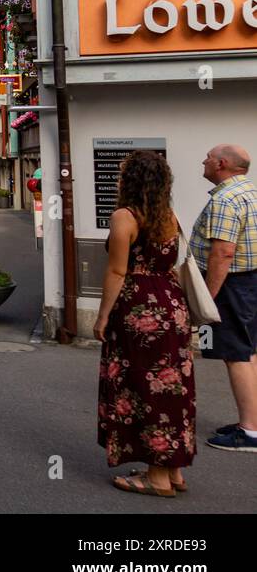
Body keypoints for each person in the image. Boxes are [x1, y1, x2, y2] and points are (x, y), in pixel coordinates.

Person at [95, 150, 195, 497]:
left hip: (140, 309)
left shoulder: (125, 216)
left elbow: (118, 270)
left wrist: (103, 315)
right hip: (172, 305)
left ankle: (156, 479)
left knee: (145, 388)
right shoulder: (168, 215)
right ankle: (173, 471)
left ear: (130, 180)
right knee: (172, 388)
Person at [190, 144, 257, 453]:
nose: (203, 161)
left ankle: (249, 432)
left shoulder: (226, 199)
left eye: (207, 157)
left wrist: (208, 297)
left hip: (232, 285)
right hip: (250, 281)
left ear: (221, 163)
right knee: (249, 351)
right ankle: (252, 421)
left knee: (236, 355)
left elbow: (223, 251)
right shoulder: (250, 192)